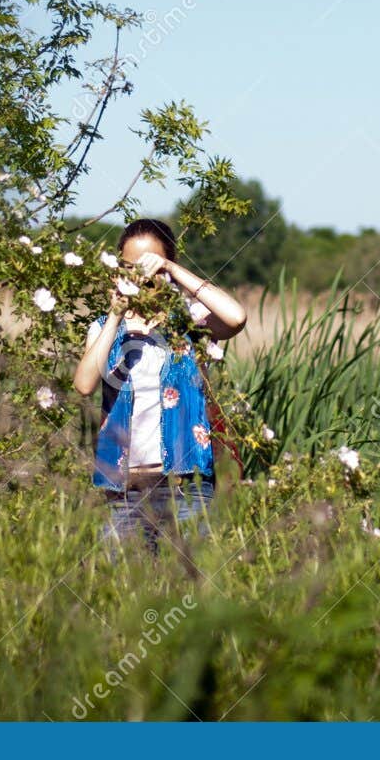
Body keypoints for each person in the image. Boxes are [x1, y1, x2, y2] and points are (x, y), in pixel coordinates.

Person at [72, 218, 247, 554]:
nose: (140, 275)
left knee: (188, 587)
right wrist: (115, 316)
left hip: (187, 486)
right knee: (123, 592)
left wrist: (171, 269)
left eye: (149, 265)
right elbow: (83, 385)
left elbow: (235, 318)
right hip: (126, 488)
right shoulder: (105, 327)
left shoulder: (189, 324)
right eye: (129, 267)